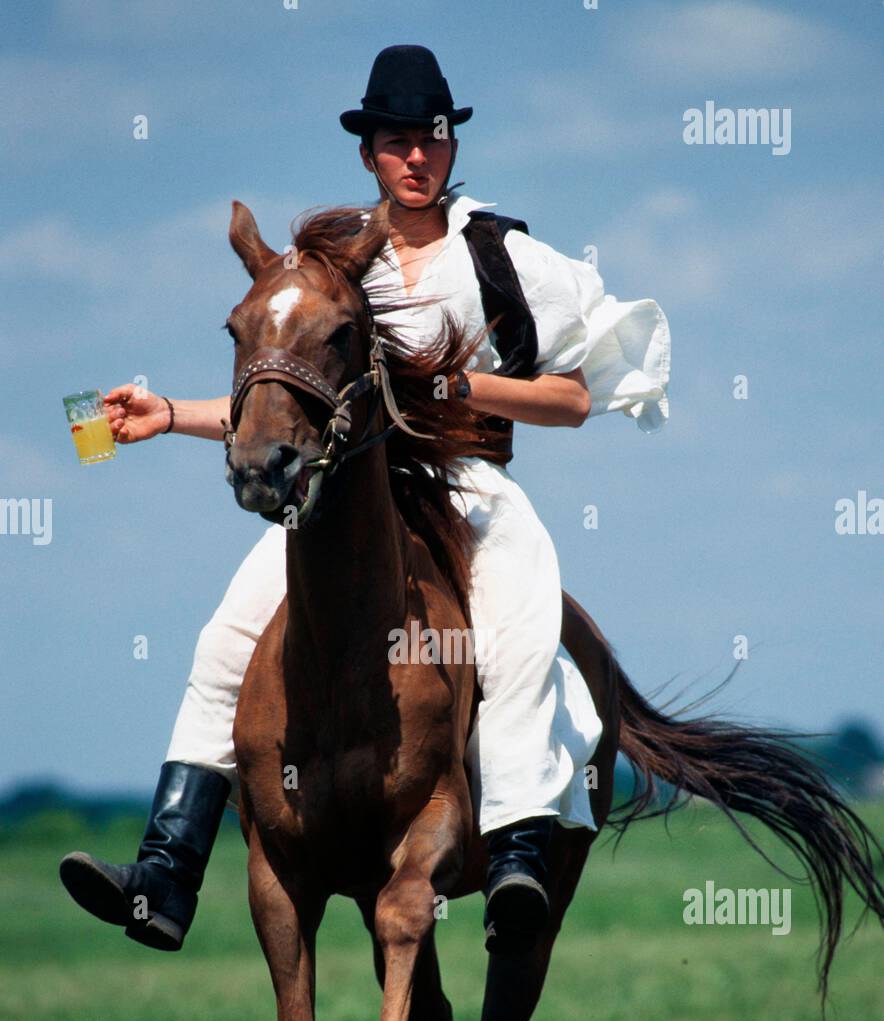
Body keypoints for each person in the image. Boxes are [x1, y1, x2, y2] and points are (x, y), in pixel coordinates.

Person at [60, 45, 670, 956]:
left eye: (431, 138)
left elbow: (576, 400)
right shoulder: (337, 256)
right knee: (226, 635)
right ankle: (167, 869)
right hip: (354, 496)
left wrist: (473, 390)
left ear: (451, 143)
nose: (416, 157)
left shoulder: (503, 255)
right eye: (396, 142)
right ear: (368, 153)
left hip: (472, 493)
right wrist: (168, 415)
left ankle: (516, 854)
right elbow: (290, 396)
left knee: (511, 642)